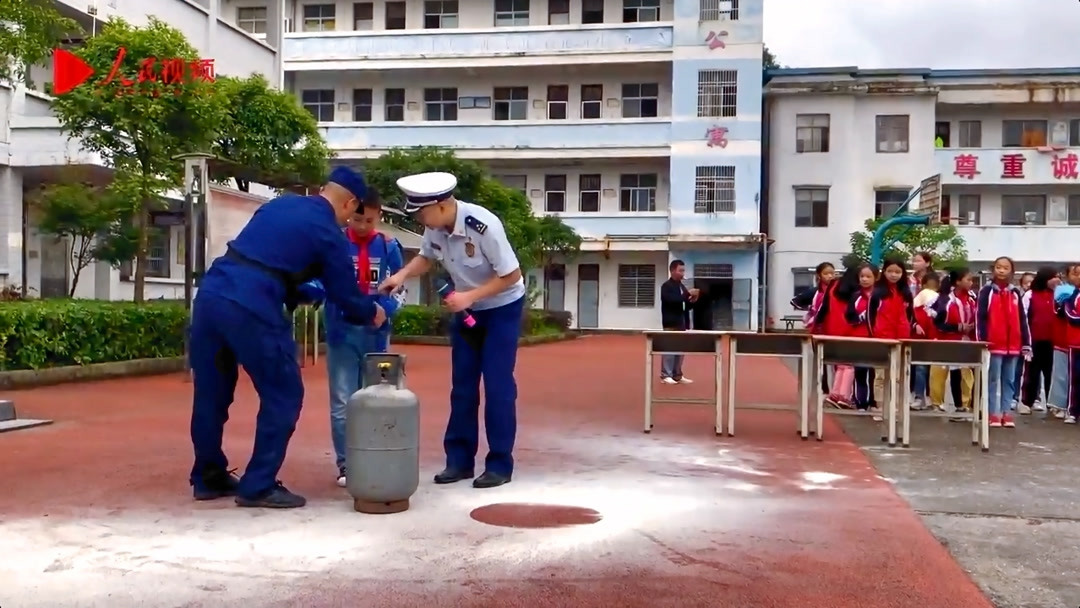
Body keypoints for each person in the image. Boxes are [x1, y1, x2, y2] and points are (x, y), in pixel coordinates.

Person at [188, 166, 387, 509]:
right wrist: (372, 312)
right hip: (251, 304)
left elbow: (267, 257)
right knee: (284, 391)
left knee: (211, 394)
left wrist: (297, 289)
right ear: (349, 202)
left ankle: (208, 476)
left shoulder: (279, 205)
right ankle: (259, 484)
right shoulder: (329, 232)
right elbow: (346, 295)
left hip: (212, 293)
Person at [378, 172, 525, 489]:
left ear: (443, 205)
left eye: (422, 212)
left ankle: (500, 464)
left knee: (498, 386)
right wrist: (401, 275)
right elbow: (426, 258)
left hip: (501, 308)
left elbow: (512, 275)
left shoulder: (483, 225)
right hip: (467, 309)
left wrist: (468, 297)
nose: (420, 219)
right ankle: (459, 462)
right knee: (462, 387)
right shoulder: (435, 227)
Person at [296, 191, 407, 487]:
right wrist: (311, 291)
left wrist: (388, 308)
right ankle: (347, 464)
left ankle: (376, 456)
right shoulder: (334, 243)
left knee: (378, 399)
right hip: (341, 331)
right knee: (343, 400)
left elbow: (401, 286)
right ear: (349, 213)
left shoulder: (389, 246)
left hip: (376, 334)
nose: (362, 225)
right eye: (358, 218)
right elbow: (318, 279)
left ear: (379, 217)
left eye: (369, 220)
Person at [976, 256, 1030, 428]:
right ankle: (992, 413)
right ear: (993, 269)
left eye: (1005, 268)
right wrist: (982, 341)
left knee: (1009, 379)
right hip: (993, 344)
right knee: (992, 379)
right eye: (998, 267)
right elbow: (980, 317)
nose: (1001, 270)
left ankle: (1007, 413)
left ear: (1011, 271)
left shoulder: (1015, 293)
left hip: (1013, 344)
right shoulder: (986, 291)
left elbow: (1023, 319)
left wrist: (1026, 342)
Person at [932, 268, 977, 417]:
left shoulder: (972, 298)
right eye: (968, 280)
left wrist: (972, 327)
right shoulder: (945, 299)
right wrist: (957, 327)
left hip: (966, 340)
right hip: (947, 340)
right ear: (958, 281)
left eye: (972, 280)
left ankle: (965, 404)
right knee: (945, 372)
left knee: (965, 373)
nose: (971, 283)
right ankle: (942, 404)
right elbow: (937, 322)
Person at [1018, 267, 1058, 415]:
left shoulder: (1056, 295)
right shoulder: (1030, 295)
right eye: (1053, 277)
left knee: (1051, 373)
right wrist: (1025, 340)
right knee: (1031, 372)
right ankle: (1027, 401)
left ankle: (1051, 403)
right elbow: (1023, 316)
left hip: (1052, 340)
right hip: (1034, 339)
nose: (1056, 280)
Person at [792, 262, 836, 393]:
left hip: (834, 327)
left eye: (832, 273)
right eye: (826, 273)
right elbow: (795, 301)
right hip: (819, 328)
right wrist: (811, 310)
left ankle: (838, 390)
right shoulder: (815, 292)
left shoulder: (838, 291)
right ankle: (823, 387)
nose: (829, 276)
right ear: (819, 275)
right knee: (821, 359)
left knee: (837, 359)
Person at [844, 262, 879, 411]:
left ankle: (873, 400)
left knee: (874, 372)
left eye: (868, 276)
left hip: (876, 338)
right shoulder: (855, 296)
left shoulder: (880, 295)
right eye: (862, 276)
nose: (864, 279)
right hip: (858, 337)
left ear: (876, 278)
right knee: (860, 371)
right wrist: (860, 318)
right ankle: (860, 402)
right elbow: (849, 316)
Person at [659, 259, 699, 385]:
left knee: (680, 350)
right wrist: (687, 294)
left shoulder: (681, 286)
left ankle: (677, 374)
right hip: (670, 323)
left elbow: (685, 305)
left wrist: (693, 300)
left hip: (682, 323)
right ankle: (666, 375)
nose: (682, 273)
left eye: (683, 270)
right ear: (672, 271)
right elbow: (672, 301)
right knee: (670, 349)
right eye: (680, 270)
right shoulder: (666, 286)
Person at [1049, 265, 1080, 422]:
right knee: (1069, 377)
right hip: (1071, 342)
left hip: (1072, 341)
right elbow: (1068, 316)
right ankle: (1068, 409)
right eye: (1075, 273)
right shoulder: (1067, 296)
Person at [910, 272, 939, 409]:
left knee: (922, 368)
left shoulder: (918, 300)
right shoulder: (921, 300)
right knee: (924, 368)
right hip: (926, 338)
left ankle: (921, 396)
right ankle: (925, 397)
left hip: (925, 338)